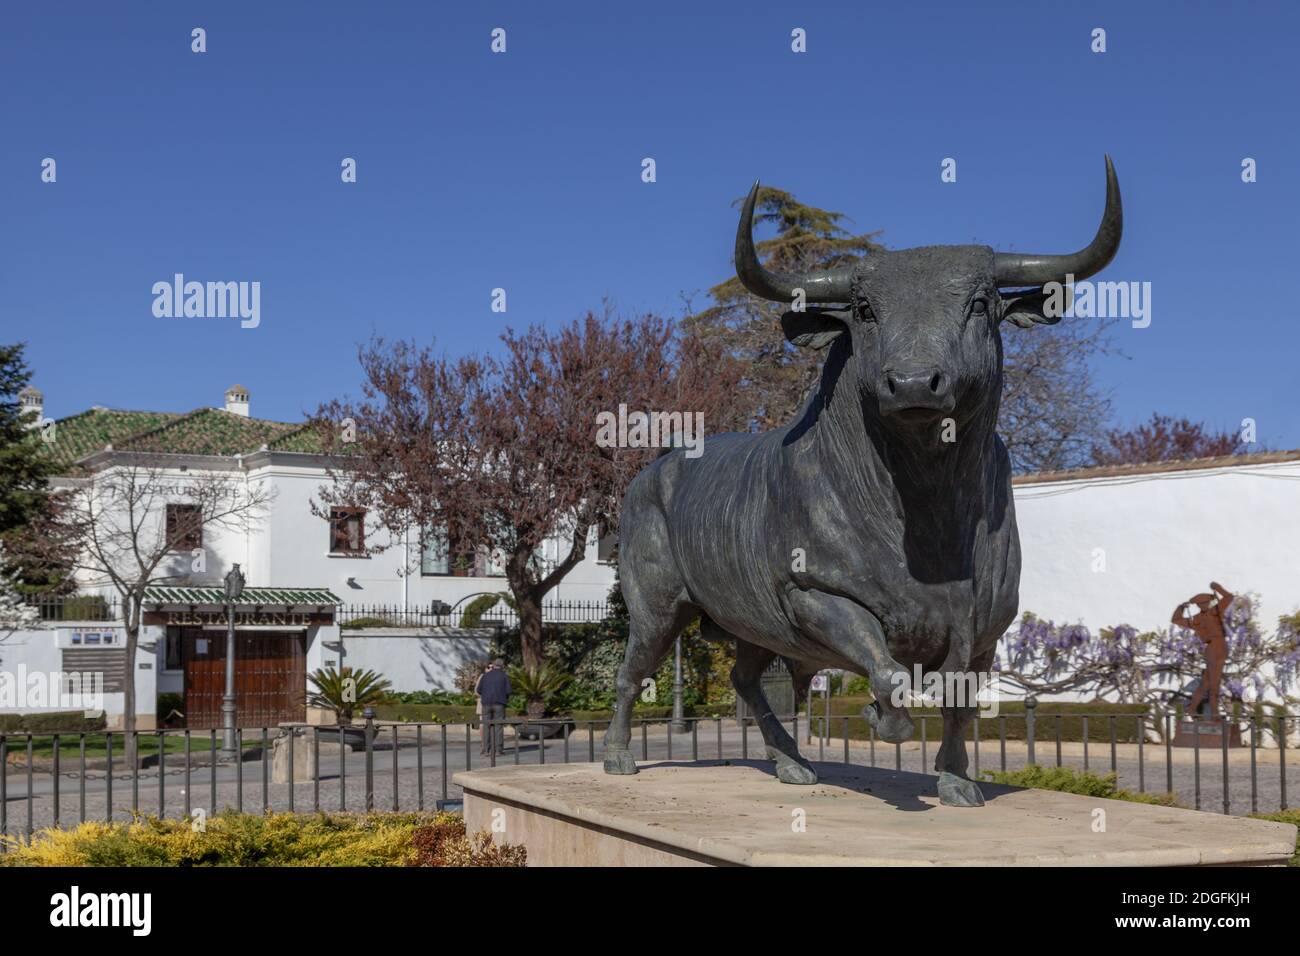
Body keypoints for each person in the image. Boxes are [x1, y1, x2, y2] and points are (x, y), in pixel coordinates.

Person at [1171, 581, 1235, 717]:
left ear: (1209, 602)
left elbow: (1229, 597)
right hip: (1213, 648)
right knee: (1214, 682)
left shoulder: (1216, 611)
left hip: (1222, 646)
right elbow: (1176, 620)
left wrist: (1217, 588)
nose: (1204, 605)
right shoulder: (1197, 619)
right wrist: (1181, 607)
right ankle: (1214, 713)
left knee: (1206, 683)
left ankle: (1192, 708)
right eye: (1201, 604)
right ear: (1198, 606)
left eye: (1206, 602)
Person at [476, 659, 512, 756]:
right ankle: (498, 750)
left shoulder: (485, 676)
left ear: (494, 665)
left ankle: (486, 750)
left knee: (486, 726)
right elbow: (509, 691)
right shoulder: (504, 676)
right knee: (498, 726)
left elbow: (479, 690)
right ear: (502, 666)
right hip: (499, 704)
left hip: (486, 704)